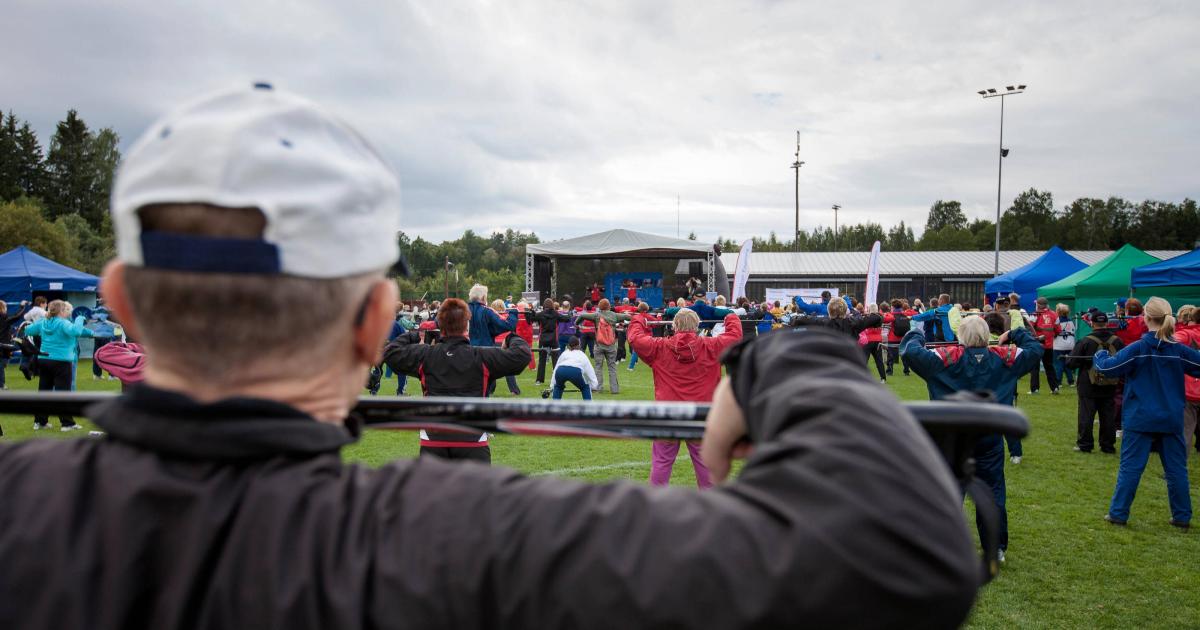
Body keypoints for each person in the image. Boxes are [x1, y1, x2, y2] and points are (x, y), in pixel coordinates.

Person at [0, 84, 982, 630]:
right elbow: (891, 560)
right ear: (377, 320)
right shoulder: (462, 541)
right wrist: (788, 357)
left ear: (121, 302)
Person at [901, 315, 1043, 562]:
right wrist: (1016, 332)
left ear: (960, 336)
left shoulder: (945, 359)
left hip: (951, 438)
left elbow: (911, 352)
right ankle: (995, 547)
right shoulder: (1003, 358)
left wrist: (916, 333)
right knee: (992, 493)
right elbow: (1035, 349)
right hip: (988, 435)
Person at [1094, 297, 1200, 529]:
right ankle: (1182, 517)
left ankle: (1118, 514)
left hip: (1140, 418)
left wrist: (1100, 355)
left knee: (1131, 469)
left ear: (1146, 318)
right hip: (1171, 417)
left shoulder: (1138, 349)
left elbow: (1108, 368)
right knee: (1176, 471)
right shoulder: (1178, 351)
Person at [386, 298, 531, 462]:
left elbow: (391, 352)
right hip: (469, 438)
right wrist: (511, 337)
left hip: (436, 438)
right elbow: (523, 354)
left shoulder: (427, 355)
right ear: (466, 324)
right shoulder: (481, 356)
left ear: (440, 324)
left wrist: (412, 336)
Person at [627, 308, 742, 489]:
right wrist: (730, 316)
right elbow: (735, 335)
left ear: (674, 326)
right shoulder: (712, 347)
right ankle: (710, 501)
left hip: (668, 414)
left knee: (662, 461)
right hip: (701, 415)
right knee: (704, 462)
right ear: (697, 326)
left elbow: (635, 338)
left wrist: (640, 319)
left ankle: (656, 501)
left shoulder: (660, 347)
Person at [21, 299, 96, 431]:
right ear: (61, 311)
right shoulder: (63, 323)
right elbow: (76, 331)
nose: (69, 312)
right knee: (63, 394)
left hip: (44, 360)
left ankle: (40, 422)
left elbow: (28, 330)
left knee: (44, 392)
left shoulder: (45, 321)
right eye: (66, 310)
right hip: (61, 361)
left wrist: (91, 334)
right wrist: (79, 318)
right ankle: (67, 424)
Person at [1065, 313, 1123, 454]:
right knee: (1108, 415)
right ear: (1107, 323)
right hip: (1110, 383)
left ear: (1092, 323)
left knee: (1086, 414)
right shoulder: (1117, 341)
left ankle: (1085, 444)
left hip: (1088, 384)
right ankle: (1108, 445)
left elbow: (1071, 363)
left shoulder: (1085, 341)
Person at [575, 298, 631, 394]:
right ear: (609, 306)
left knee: (598, 367)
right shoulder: (614, 315)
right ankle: (615, 390)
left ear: (599, 306)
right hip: (611, 346)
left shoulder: (596, 315)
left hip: (599, 345)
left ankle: (598, 388)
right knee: (612, 367)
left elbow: (582, 315)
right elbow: (627, 317)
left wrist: (576, 323)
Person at [1027, 297, 1062, 395]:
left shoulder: (1034, 314)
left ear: (1038, 305)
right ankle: (1055, 388)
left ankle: (1035, 389)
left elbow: (1030, 328)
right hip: (1049, 345)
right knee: (1049, 366)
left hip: (1037, 345)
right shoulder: (1054, 314)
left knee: (1035, 367)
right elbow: (1058, 330)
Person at [532, 298, 569, 384]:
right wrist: (570, 314)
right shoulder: (556, 314)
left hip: (543, 339)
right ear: (552, 305)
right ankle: (557, 380)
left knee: (542, 360)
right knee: (555, 360)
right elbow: (566, 319)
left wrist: (531, 311)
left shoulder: (541, 314)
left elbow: (531, 318)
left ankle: (539, 380)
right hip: (553, 339)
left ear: (544, 305)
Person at [0, 300, 30, 390]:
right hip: (3, 346)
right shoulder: (2, 317)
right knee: (1, 365)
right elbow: (17, 316)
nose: (6, 309)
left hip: (4, 345)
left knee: (2, 364)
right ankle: (1, 385)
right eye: (5, 307)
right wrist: (22, 306)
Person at [1053, 303, 1077, 388]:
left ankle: (1058, 382)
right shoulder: (1070, 321)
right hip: (1070, 345)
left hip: (1059, 345)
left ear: (1058, 312)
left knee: (1058, 364)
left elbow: (1054, 332)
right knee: (1068, 363)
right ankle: (1071, 382)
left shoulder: (1057, 321)